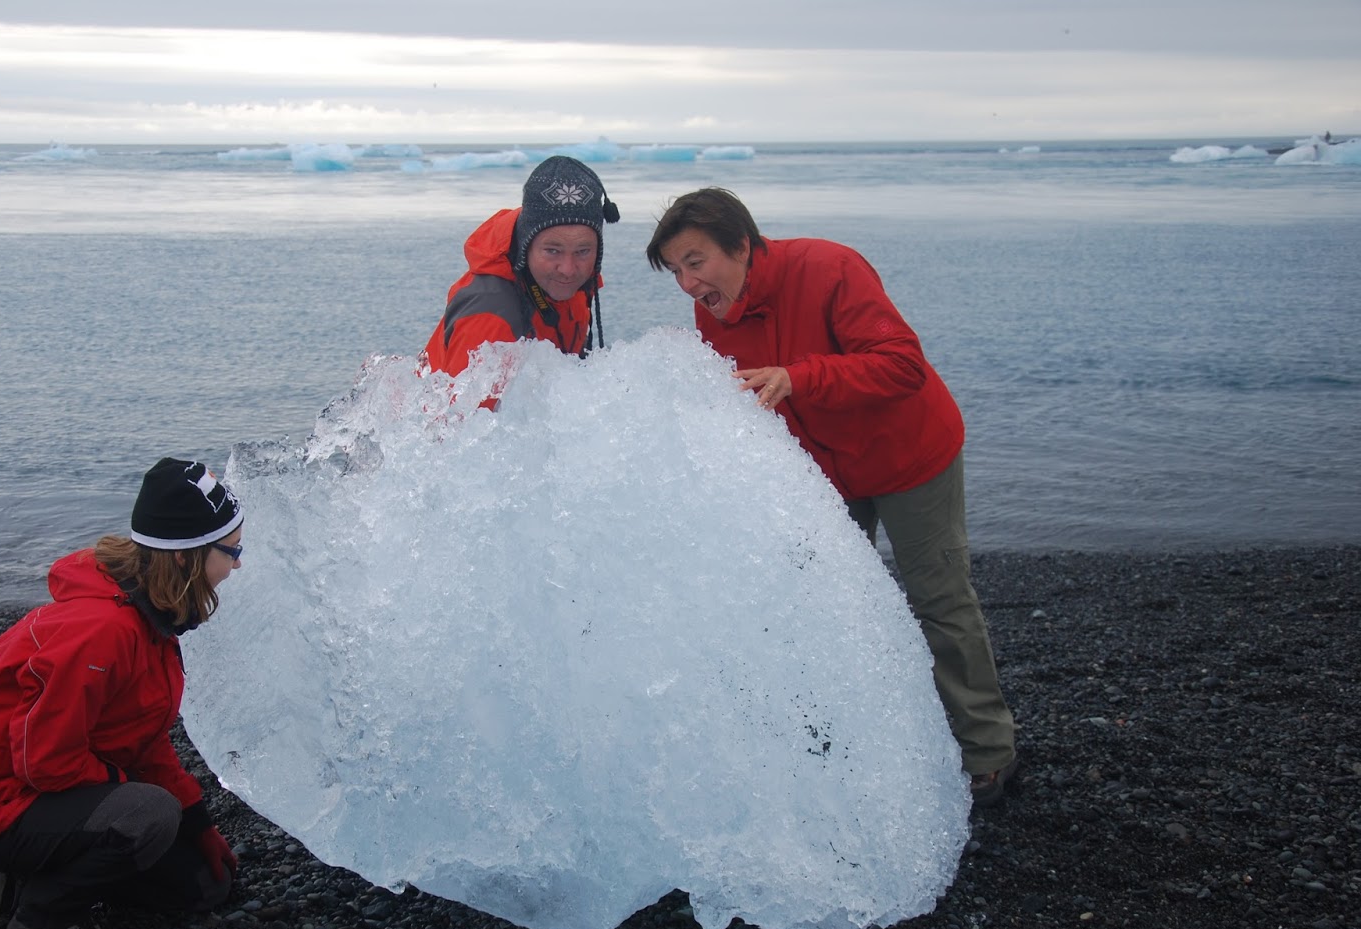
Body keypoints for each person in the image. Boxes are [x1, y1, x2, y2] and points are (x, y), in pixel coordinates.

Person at [645, 188, 1019, 806]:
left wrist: (800, 376)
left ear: (741, 245)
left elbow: (903, 364)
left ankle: (988, 753)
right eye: (677, 271)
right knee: (825, 604)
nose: (688, 283)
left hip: (908, 457)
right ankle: (860, 742)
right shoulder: (714, 310)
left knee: (940, 599)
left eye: (696, 261)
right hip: (825, 471)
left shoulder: (828, 267)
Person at [0, 457, 246, 929]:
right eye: (232, 552)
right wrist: (138, 795)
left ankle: (26, 874)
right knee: (148, 815)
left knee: (204, 889)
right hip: (2, 802)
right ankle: (40, 914)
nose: (238, 565)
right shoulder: (102, 632)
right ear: (190, 557)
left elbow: (142, 735)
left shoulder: (150, 613)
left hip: (58, 788)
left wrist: (198, 823)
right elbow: (45, 763)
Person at [423, 155, 620, 382]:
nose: (568, 269)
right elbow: (463, 417)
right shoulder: (492, 318)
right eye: (552, 251)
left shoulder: (569, 283)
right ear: (526, 245)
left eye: (582, 251)